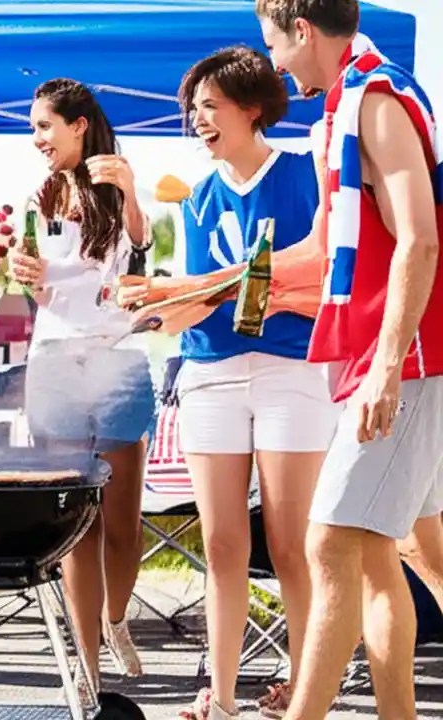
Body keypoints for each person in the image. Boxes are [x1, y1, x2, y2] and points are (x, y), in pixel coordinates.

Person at [253, 2, 443, 717]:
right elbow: (319, 250)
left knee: (330, 542)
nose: (273, 63)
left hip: (409, 356)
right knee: (387, 555)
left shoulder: (379, 99)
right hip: (379, 356)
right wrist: (188, 287)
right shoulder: (338, 110)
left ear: (303, 31)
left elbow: (419, 240)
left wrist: (389, 368)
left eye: (273, 45)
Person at [166, 46, 339, 720]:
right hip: (210, 373)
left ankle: (306, 686)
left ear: (252, 107)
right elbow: (191, 305)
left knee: (293, 542)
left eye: (210, 106)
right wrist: (154, 303)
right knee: (221, 543)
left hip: (292, 371)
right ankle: (222, 693)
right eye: (193, 108)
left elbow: (327, 279)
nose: (197, 119)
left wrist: (258, 297)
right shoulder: (197, 198)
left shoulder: (305, 174)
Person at [6, 78, 155, 703]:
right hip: (55, 363)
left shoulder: (117, 182)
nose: (37, 138)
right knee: (76, 523)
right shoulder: (37, 198)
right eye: (34, 127)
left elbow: (142, 253)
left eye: (45, 126)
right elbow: (40, 293)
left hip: (117, 362)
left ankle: (117, 619)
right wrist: (21, 274)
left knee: (122, 523)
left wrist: (129, 192)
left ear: (79, 125)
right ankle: (87, 667)